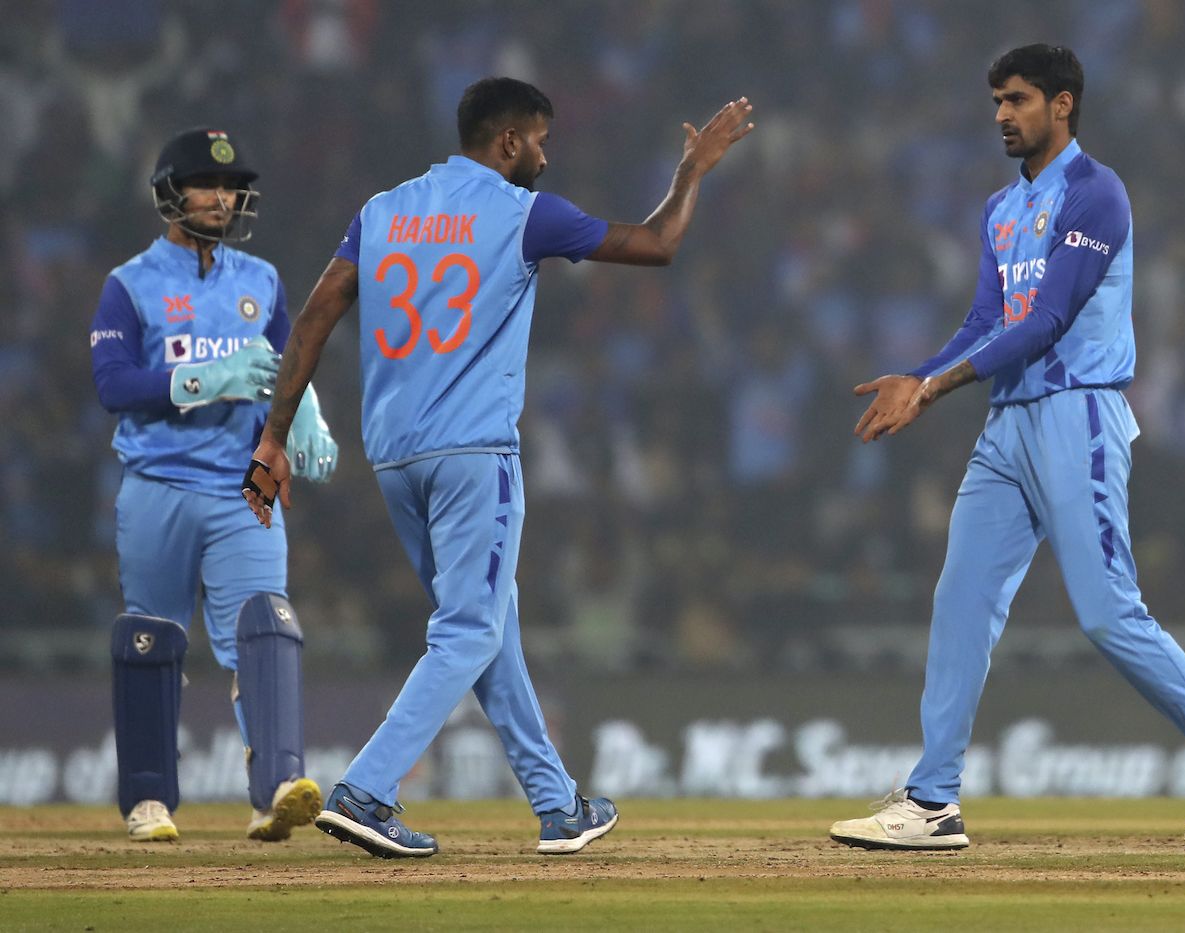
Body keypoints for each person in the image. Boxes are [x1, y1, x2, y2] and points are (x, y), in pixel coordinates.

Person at [242, 77, 754, 858]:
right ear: (509, 140)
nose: (545, 157)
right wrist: (691, 172)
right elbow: (657, 243)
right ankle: (366, 789)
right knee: (469, 629)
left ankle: (558, 804)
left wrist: (273, 437)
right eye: (540, 141)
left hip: (395, 457)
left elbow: (315, 317)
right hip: (474, 453)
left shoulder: (381, 212)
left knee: (489, 627)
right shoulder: (523, 212)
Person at [830, 45, 1185, 851]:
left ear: (1063, 104)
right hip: (1007, 425)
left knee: (1108, 613)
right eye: (996, 102)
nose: (1002, 115)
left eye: (1017, 99)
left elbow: (1046, 321)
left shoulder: (1096, 193)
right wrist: (918, 375)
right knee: (960, 600)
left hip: (1079, 415)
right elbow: (986, 321)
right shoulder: (1001, 209)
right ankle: (933, 799)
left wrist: (932, 389)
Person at [91, 127, 338, 843]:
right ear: (170, 192)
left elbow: (291, 361)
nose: (222, 198)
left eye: (231, 187)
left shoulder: (260, 280)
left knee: (266, 623)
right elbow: (113, 386)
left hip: (242, 488)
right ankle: (148, 799)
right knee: (151, 638)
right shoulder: (130, 284)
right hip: (157, 482)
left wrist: (307, 416)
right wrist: (203, 379)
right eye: (207, 184)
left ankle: (278, 787)